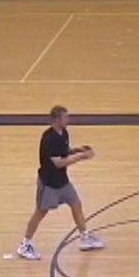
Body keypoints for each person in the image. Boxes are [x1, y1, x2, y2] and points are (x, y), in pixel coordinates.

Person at [17, 105, 105, 260]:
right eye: (66, 117)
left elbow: (64, 151)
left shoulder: (63, 133)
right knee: (40, 213)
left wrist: (77, 150)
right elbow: (59, 163)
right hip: (49, 183)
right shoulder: (48, 138)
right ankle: (24, 245)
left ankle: (84, 237)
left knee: (76, 204)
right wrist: (81, 157)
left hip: (62, 182)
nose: (68, 120)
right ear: (57, 119)